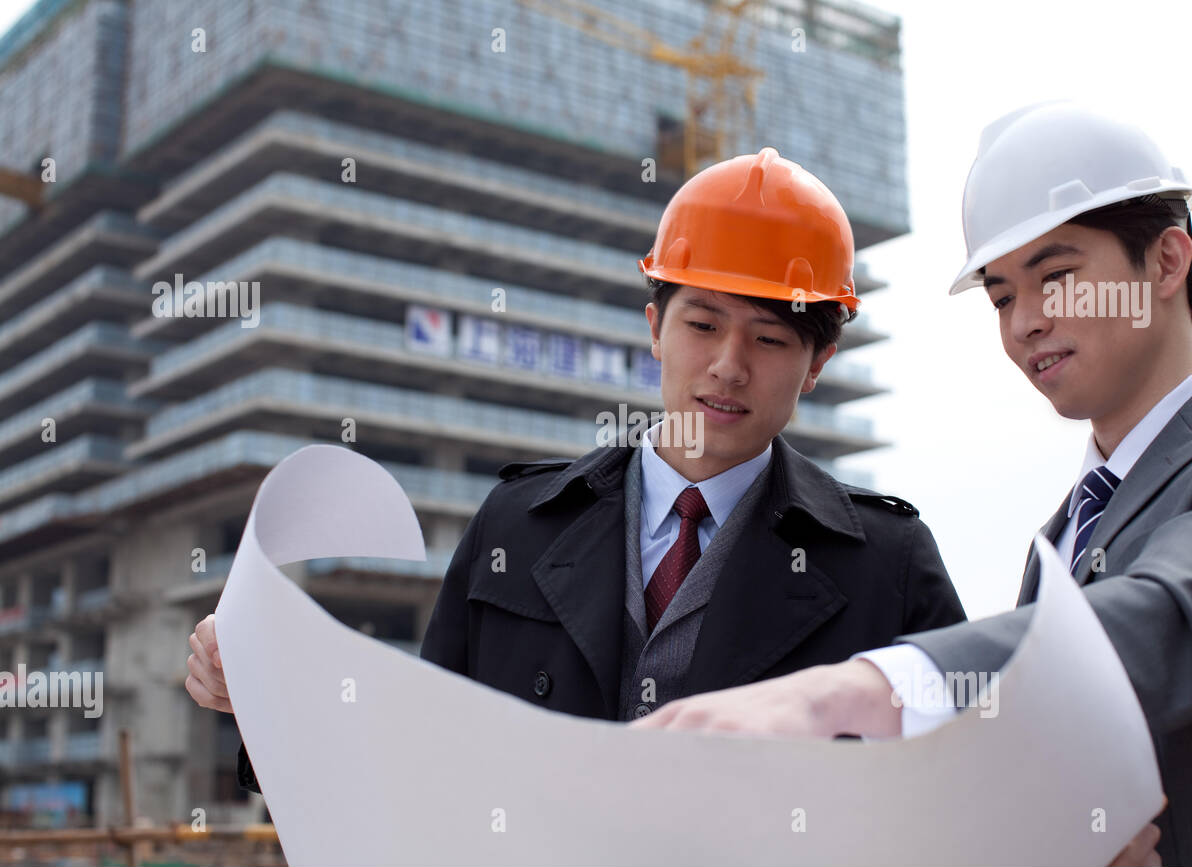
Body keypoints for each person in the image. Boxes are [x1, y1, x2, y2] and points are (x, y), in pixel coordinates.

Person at [635, 103, 1192, 867]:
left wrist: (848, 693)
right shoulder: (1061, 538)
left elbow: (1172, 616)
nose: (1025, 324)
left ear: (1165, 262)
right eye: (1002, 296)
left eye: (1056, 276)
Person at [186, 147, 965, 785]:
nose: (728, 367)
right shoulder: (518, 525)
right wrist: (268, 696)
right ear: (656, 327)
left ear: (818, 362)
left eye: (769, 339)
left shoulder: (886, 563)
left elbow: (965, 785)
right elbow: (426, 752)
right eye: (702, 323)